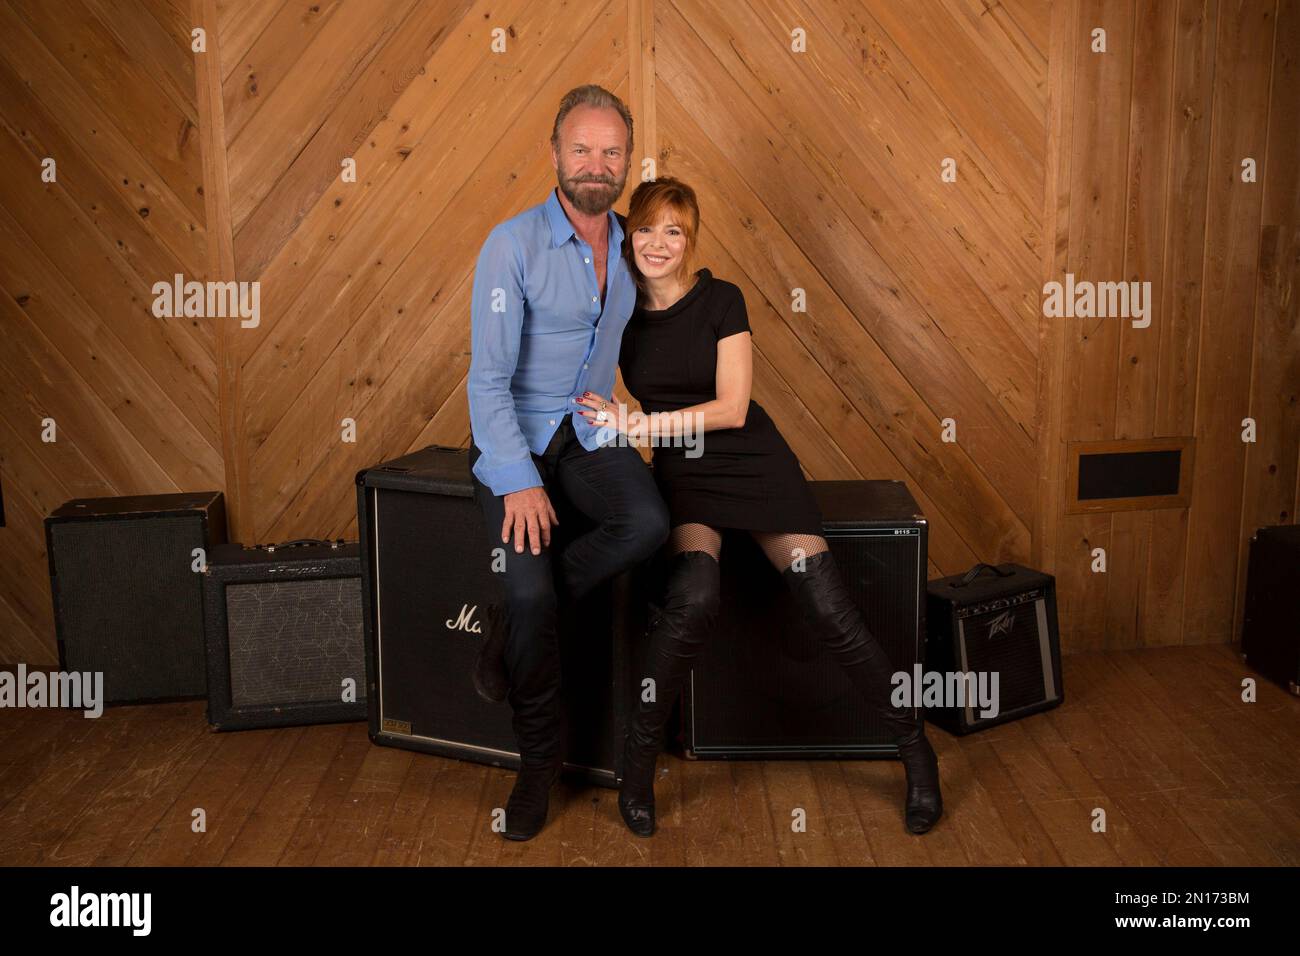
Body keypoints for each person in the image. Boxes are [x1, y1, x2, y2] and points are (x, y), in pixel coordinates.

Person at [574, 177, 943, 838]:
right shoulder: (618, 311)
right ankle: (636, 771)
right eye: (648, 229)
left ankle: (915, 751)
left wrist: (640, 427)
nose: (659, 243)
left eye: (674, 231)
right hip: (686, 474)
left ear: (690, 242)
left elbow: (732, 407)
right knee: (693, 599)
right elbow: (579, 374)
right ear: (630, 237)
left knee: (828, 604)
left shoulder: (723, 299)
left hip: (752, 460)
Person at [465, 86, 669, 842]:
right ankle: (538, 767)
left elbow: (675, 313)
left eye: (611, 151)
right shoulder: (510, 245)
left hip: (586, 431)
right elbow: (486, 379)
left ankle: (507, 634)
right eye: (581, 149)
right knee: (530, 597)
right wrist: (516, 479)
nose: (596, 164)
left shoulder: (631, 246)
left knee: (646, 521)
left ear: (627, 162)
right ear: (554, 155)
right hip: (513, 442)